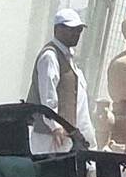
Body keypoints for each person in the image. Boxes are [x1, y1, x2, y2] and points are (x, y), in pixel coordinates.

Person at [25, 8, 97, 154]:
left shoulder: (69, 59)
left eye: (78, 30)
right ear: (57, 29)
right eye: (71, 30)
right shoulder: (50, 57)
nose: (76, 34)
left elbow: (78, 102)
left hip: (67, 136)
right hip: (50, 137)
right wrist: (55, 126)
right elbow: (48, 97)